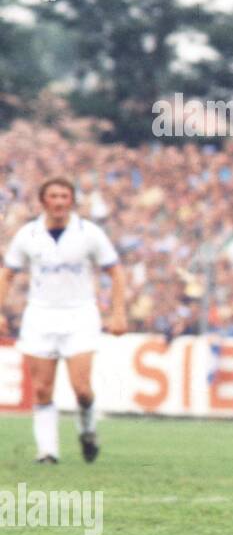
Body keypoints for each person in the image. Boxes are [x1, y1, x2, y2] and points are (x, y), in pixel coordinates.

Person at [0, 177, 126, 463]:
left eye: (64, 196)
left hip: (80, 314)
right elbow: (7, 273)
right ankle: (47, 451)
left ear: (71, 201)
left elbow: (115, 271)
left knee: (82, 389)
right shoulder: (28, 235)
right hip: (40, 315)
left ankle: (87, 429)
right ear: (44, 201)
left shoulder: (89, 233)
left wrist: (118, 313)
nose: (59, 202)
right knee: (42, 388)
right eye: (53, 196)